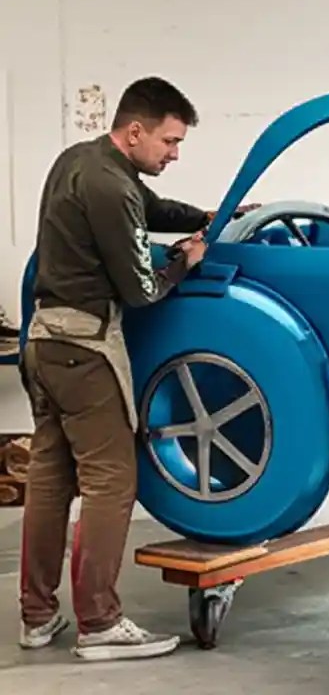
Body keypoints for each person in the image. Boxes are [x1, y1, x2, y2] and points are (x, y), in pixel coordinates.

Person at [17, 76, 223, 661]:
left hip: (45, 343)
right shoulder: (112, 186)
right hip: (84, 351)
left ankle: (37, 616)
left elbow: (149, 208)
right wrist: (186, 261)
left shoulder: (82, 161)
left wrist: (207, 215)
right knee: (111, 480)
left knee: (50, 479)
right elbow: (140, 291)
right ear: (135, 131)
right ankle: (100, 624)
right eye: (169, 141)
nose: (174, 153)